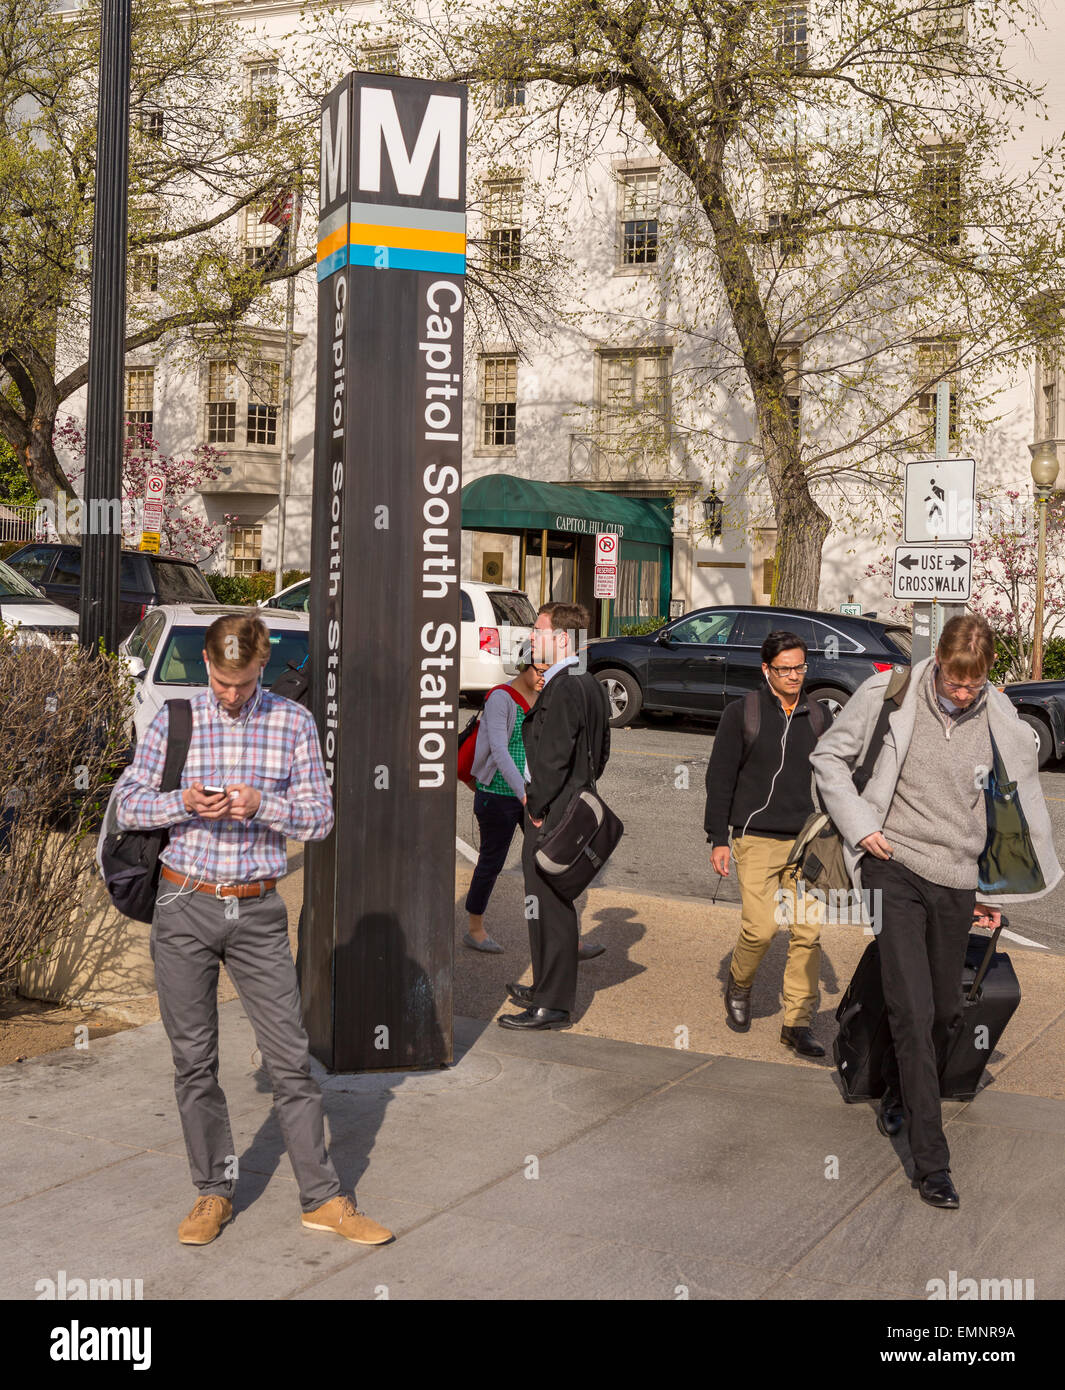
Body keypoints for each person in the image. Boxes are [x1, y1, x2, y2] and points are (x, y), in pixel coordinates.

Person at [113, 614, 393, 1247]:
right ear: (207, 664)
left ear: (262, 666)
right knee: (194, 1060)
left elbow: (320, 820)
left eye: (241, 682)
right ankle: (212, 1192)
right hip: (183, 902)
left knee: (291, 1059)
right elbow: (127, 802)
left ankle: (323, 1199)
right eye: (219, 679)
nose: (230, 694)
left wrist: (262, 804)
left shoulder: (293, 723)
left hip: (258, 911)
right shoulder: (176, 717)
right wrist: (181, 801)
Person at [811, 613, 1061, 1209]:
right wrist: (863, 827)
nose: (962, 693)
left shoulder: (998, 714)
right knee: (911, 1005)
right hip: (893, 865)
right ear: (940, 662)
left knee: (946, 1010)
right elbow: (828, 759)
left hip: (956, 879)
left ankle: (897, 1091)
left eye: (974, 683)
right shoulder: (890, 693)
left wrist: (991, 895)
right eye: (955, 680)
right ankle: (933, 1164)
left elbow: (1010, 813)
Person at [705, 630, 833, 1056]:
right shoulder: (744, 713)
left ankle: (797, 1023)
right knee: (760, 929)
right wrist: (717, 838)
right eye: (785, 669)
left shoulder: (818, 715)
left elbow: (835, 776)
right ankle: (739, 985)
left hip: (805, 842)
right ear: (766, 670)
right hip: (755, 839)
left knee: (808, 933)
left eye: (800, 667)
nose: (794, 675)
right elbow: (719, 778)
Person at [499, 601, 610, 1030]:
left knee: (550, 907)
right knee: (547, 905)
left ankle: (552, 1005)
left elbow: (553, 758)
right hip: (571, 804)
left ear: (561, 639)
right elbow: (599, 754)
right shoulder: (587, 681)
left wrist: (539, 806)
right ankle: (545, 987)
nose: (531, 637)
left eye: (537, 630)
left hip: (553, 812)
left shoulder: (564, 686)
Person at [463, 646, 546, 953]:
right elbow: (498, 749)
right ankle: (475, 927)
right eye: (539, 670)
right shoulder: (501, 698)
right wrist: (523, 793)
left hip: (532, 795)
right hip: (498, 795)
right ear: (524, 666)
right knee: (491, 862)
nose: (544, 677)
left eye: (548, 671)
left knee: (547, 862)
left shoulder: (543, 698)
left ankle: (562, 933)